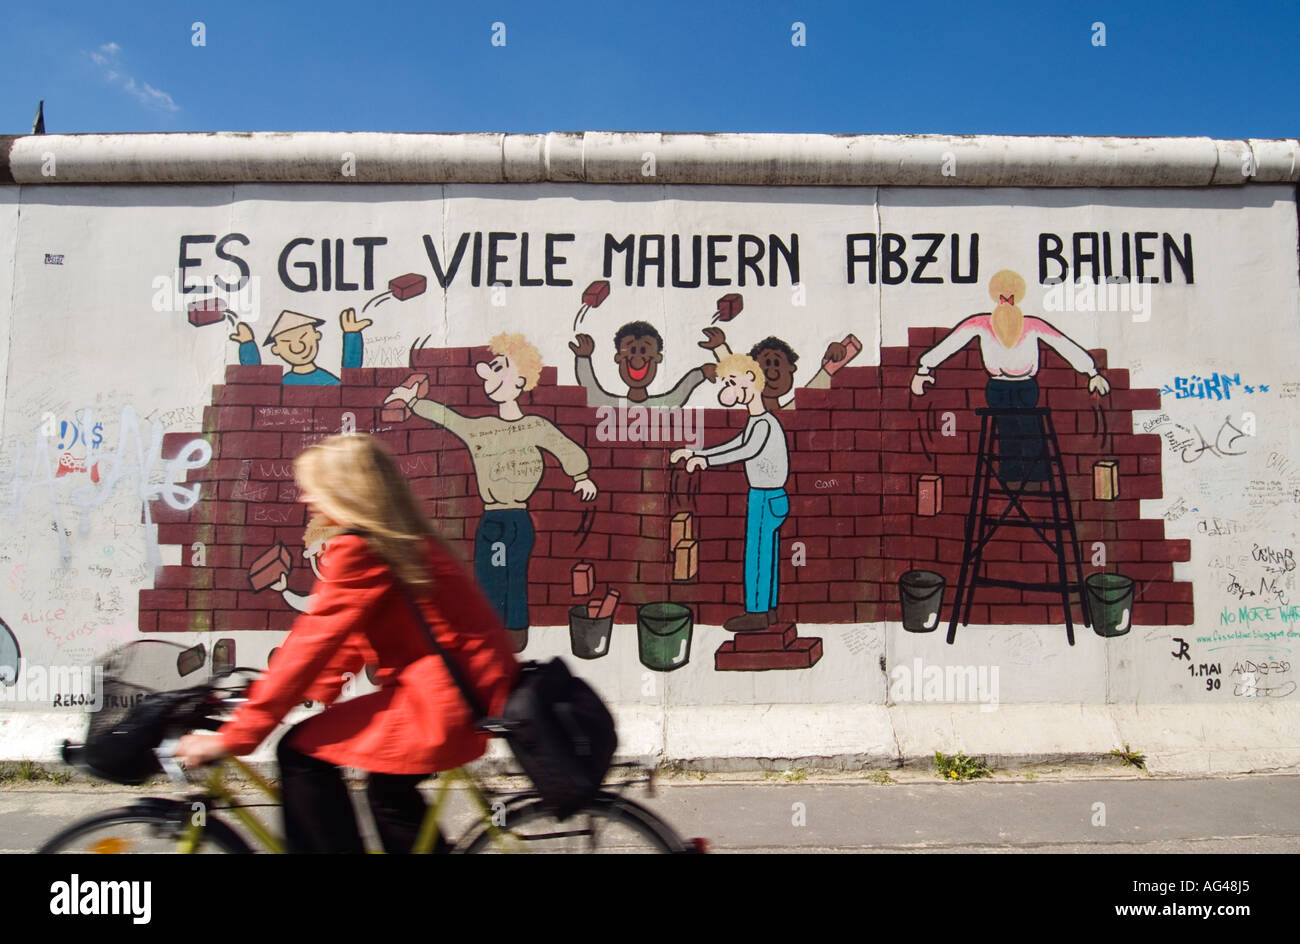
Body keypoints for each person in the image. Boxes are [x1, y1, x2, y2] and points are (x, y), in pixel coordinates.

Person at [175, 433, 519, 854]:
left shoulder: (362, 549)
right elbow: (352, 638)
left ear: (345, 489)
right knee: (388, 793)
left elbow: (311, 643)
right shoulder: (399, 541)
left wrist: (236, 735)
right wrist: (317, 691)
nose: (306, 498)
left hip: (442, 703)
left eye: (314, 487)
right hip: (461, 693)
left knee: (301, 753)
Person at [388, 333, 597, 651]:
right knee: (490, 575)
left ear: (520, 381)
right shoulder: (481, 428)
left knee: (511, 576)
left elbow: (563, 446)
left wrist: (581, 476)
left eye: (499, 367)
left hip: (516, 517)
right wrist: (414, 401)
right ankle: (499, 632)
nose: (488, 373)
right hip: (492, 517)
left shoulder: (534, 426)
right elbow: (449, 419)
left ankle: (512, 632)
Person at [910, 269, 1111, 486]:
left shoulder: (1032, 324)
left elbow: (1062, 344)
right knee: (1006, 430)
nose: (1006, 303)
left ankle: (1035, 476)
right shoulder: (980, 323)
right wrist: (924, 368)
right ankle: (1010, 474)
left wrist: (1092, 372)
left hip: (1026, 387)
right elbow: (952, 342)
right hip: (998, 388)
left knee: (1030, 428)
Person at [670, 353, 789, 631]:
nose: (730, 389)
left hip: (765, 496)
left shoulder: (763, 423)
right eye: (728, 383)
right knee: (767, 556)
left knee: (757, 555)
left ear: (751, 378)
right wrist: (697, 452)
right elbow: (734, 443)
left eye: (733, 381)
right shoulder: (757, 421)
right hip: (771, 497)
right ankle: (768, 610)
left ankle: (757, 613)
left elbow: (746, 450)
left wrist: (706, 460)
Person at [571, 321, 718, 407]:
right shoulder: (613, 405)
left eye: (644, 351)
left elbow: (678, 396)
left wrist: (702, 372)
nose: (637, 358)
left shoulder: (659, 406)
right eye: (632, 350)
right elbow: (593, 395)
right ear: (618, 358)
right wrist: (583, 358)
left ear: (658, 358)